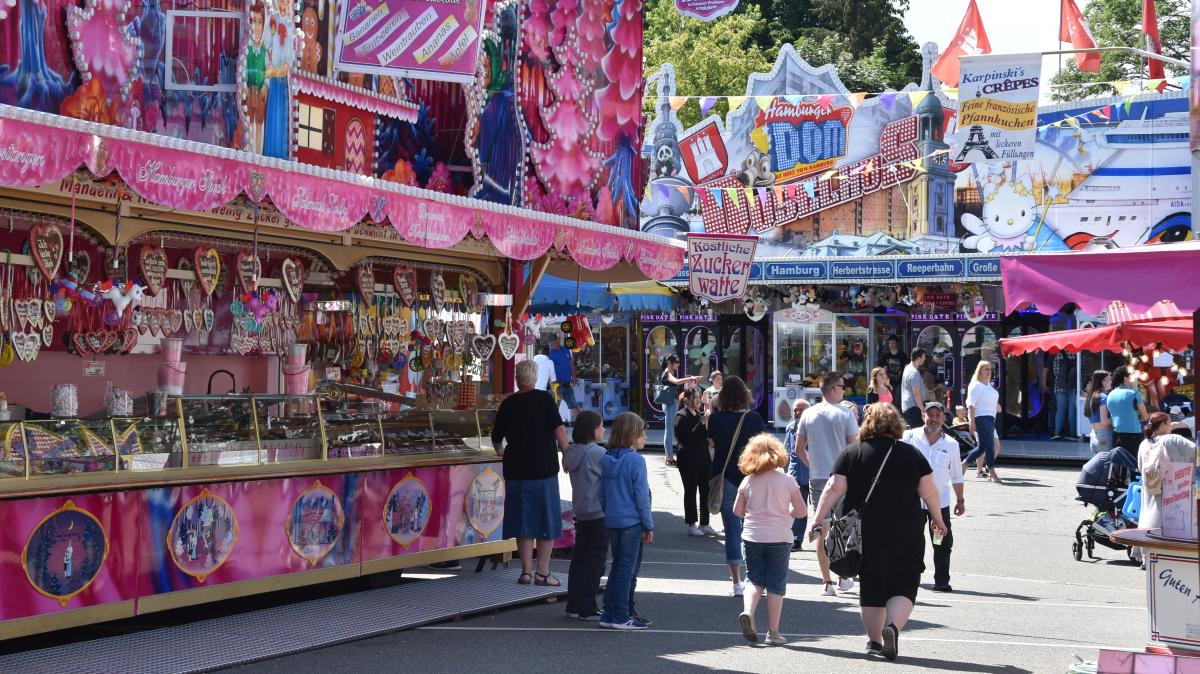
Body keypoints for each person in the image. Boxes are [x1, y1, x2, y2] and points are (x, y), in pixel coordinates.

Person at [807, 403, 946, 662]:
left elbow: (833, 488)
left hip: (865, 531)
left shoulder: (852, 452)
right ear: (896, 424)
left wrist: (817, 519)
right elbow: (929, 491)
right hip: (906, 529)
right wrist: (938, 519)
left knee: (871, 584)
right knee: (904, 582)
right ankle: (892, 627)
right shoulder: (911, 454)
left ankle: (873, 642)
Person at [491, 359, 570, 586]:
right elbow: (559, 429)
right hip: (543, 468)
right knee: (546, 520)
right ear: (535, 378)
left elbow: (497, 440)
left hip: (516, 470)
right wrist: (567, 453)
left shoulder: (509, 403)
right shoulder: (545, 399)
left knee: (522, 520)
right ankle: (543, 572)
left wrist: (504, 453)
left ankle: (525, 571)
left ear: (517, 378)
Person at [733, 434, 807, 646]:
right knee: (776, 584)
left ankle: (748, 611)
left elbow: (737, 511)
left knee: (754, 579)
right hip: (779, 536)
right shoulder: (787, 480)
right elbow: (801, 512)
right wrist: (787, 509)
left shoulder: (748, 480)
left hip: (752, 536)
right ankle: (773, 632)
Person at [794, 372, 860, 596]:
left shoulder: (808, 413)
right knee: (842, 528)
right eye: (842, 386)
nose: (844, 390)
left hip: (819, 477)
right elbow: (855, 448)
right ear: (833, 389)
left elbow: (798, 447)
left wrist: (813, 465)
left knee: (823, 528)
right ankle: (842, 576)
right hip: (842, 477)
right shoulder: (845, 414)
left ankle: (827, 582)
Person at [707, 376, 768, 597]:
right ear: (745, 395)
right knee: (754, 529)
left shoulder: (715, 419)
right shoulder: (753, 419)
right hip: (752, 477)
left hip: (726, 477)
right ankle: (755, 578)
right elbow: (764, 447)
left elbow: (712, 442)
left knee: (732, 530)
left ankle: (736, 581)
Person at [598, 412, 655, 630]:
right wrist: (648, 524)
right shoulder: (636, 461)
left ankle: (610, 612)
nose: (645, 439)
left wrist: (609, 511)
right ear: (632, 436)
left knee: (617, 566)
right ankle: (621, 615)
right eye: (642, 434)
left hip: (612, 519)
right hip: (631, 521)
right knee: (627, 568)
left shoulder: (606, 458)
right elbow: (642, 496)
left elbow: (602, 494)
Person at [903, 402, 965, 593]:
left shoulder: (951, 444)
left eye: (938, 415)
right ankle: (910, 577)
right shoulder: (909, 437)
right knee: (911, 541)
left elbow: (956, 475)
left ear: (944, 418)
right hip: (912, 501)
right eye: (930, 415)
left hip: (939, 503)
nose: (934, 419)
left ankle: (941, 581)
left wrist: (960, 500)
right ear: (923, 416)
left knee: (941, 542)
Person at [562, 410, 607, 620]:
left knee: (579, 559)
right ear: (592, 429)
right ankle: (587, 606)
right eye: (600, 426)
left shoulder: (571, 451)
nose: (604, 429)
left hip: (580, 510)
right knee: (595, 561)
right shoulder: (596, 453)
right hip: (598, 512)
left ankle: (573, 604)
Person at [675, 387, 716, 537]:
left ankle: (704, 523)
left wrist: (709, 436)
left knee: (705, 490)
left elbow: (703, 435)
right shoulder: (681, 415)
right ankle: (691, 524)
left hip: (703, 458)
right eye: (695, 398)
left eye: (699, 398)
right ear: (687, 400)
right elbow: (686, 438)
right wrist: (702, 423)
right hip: (688, 460)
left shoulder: (698, 414)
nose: (698, 401)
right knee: (691, 491)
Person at [963, 361, 1002, 484]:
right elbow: (971, 405)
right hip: (981, 418)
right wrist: (971, 421)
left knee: (982, 448)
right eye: (986, 369)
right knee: (990, 444)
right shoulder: (976, 385)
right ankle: (991, 471)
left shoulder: (989, 386)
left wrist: (996, 406)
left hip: (990, 419)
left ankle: (964, 464)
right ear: (980, 370)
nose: (989, 371)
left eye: (990, 369)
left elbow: (990, 402)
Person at [659, 354, 700, 466]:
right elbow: (676, 382)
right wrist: (690, 378)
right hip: (669, 404)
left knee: (671, 429)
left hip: (671, 403)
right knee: (669, 430)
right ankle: (669, 457)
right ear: (670, 363)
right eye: (676, 362)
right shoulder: (667, 373)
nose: (678, 364)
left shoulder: (669, 373)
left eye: (678, 362)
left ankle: (670, 456)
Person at [784, 398, 811, 551]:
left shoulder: (814, 427)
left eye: (801, 409)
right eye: (795, 410)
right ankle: (796, 539)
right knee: (799, 507)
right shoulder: (790, 427)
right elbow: (786, 450)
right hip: (795, 474)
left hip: (813, 474)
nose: (798, 412)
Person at [1107, 366, 1148, 454]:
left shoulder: (1110, 394)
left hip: (1117, 433)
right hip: (1133, 433)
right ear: (1125, 379)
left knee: (1120, 464)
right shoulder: (1134, 393)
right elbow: (1145, 417)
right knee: (1134, 463)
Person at [1046, 351, 1078, 440]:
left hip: (1060, 385)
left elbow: (1055, 372)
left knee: (1060, 410)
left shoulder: (1058, 354)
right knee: (1072, 410)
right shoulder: (1076, 354)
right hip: (1074, 386)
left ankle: (1057, 432)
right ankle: (1073, 433)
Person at [548, 334, 580, 422]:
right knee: (555, 407)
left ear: (557, 341)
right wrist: (554, 386)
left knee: (573, 404)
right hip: (556, 384)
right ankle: (554, 428)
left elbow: (571, 364)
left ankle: (581, 425)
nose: (552, 343)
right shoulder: (550, 354)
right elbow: (549, 371)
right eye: (551, 342)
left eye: (553, 341)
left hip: (567, 383)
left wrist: (574, 377)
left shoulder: (566, 350)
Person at [1084, 370, 1113, 455]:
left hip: (1093, 435)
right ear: (1102, 381)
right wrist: (1115, 419)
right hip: (1104, 435)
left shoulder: (1090, 396)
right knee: (1106, 465)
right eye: (1108, 379)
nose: (1111, 382)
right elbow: (1104, 422)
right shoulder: (1103, 397)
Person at [900, 348, 928, 429]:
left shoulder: (907, 368)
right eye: (924, 357)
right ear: (919, 359)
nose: (925, 358)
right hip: (913, 407)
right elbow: (916, 393)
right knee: (917, 433)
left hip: (908, 406)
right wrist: (922, 409)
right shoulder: (914, 372)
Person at [881, 335, 908, 403]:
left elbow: (906, 368)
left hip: (900, 382)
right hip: (888, 382)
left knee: (898, 402)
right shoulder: (886, 356)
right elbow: (884, 369)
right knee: (889, 401)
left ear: (896, 343)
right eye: (890, 343)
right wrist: (884, 382)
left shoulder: (903, 355)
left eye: (893, 343)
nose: (891, 345)